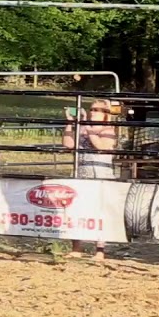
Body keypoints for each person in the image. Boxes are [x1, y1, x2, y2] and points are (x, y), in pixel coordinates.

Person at [63, 99, 118, 260]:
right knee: (76, 209)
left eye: (97, 109)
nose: (93, 112)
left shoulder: (109, 130)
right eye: (92, 109)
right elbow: (68, 144)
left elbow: (100, 145)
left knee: (100, 211)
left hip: (100, 173)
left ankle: (99, 249)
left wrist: (87, 127)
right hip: (82, 172)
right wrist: (70, 124)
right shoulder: (83, 128)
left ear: (105, 114)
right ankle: (76, 247)